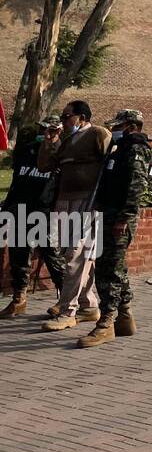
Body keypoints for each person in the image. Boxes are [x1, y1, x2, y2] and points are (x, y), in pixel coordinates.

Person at [78, 109, 152, 348]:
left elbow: (135, 188)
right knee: (116, 267)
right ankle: (124, 316)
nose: (114, 131)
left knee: (107, 270)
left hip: (119, 220)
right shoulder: (120, 150)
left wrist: (124, 218)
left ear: (132, 126)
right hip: (108, 216)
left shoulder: (136, 151)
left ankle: (106, 323)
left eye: (118, 127)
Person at [38, 100, 110, 331]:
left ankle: (67, 310)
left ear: (82, 117)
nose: (64, 120)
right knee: (81, 256)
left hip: (87, 203)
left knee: (75, 255)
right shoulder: (67, 141)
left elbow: (111, 164)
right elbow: (44, 166)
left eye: (67, 115)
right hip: (65, 202)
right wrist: (50, 141)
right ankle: (88, 305)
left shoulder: (98, 134)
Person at [0, 118, 63, 318]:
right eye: (42, 129)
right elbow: (18, 180)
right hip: (21, 209)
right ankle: (19, 298)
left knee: (52, 255)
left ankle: (66, 301)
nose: (45, 133)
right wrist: (8, 206)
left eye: (51, 130)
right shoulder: (27, 150)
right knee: (19, 256)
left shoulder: (63, 153)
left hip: (45, 211)